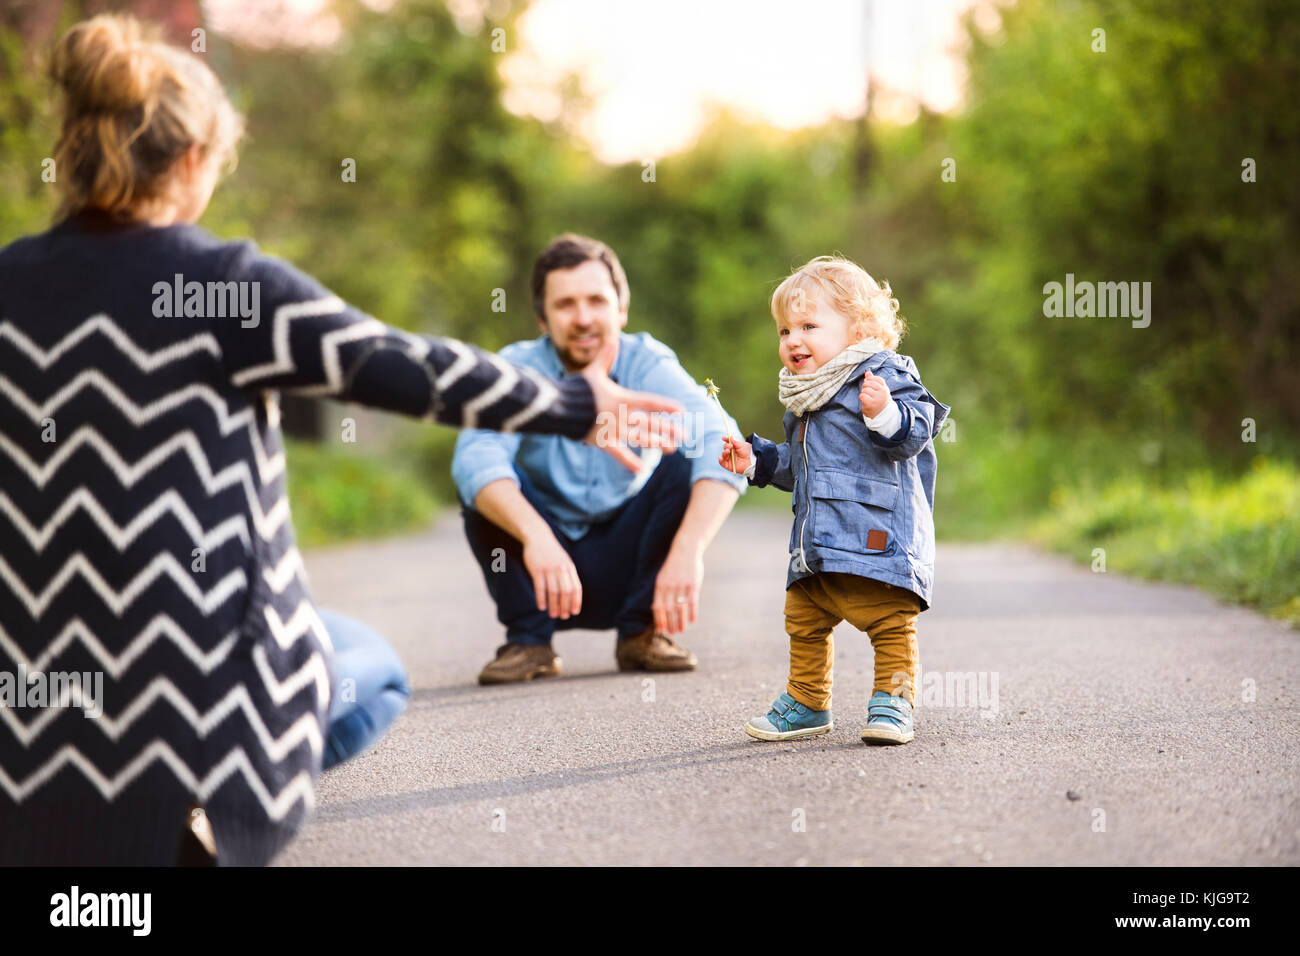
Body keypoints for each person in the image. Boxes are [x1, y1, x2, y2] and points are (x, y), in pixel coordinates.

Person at [0, 14, 680, 865]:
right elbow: (405, 365)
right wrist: (575, 404)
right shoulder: (222, 286)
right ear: (189, 163)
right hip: (194, 697)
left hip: (32, 709)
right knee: (369, 665)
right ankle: (209, 810)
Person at [452, 234, 748, 684]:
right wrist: (534, 535)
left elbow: (721, 439)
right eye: (566, 304)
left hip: (629, 566)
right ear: (542, 318)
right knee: (485, 484)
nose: (584, 318)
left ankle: (641, 634)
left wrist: (690, 548)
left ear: (620, 310)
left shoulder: (647, 361)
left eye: (596, 301)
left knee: (683, 459)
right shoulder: (517, 368)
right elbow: (475, 457)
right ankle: (529, 640)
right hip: (542, 572)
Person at [718, 256, 950, 745]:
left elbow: (916, 431)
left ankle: (893, 702)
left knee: (890, 622)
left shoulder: (882, 374)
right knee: (802, 617)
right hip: (818, 542)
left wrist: (884, 411)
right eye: (784, 330)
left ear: (858, 327)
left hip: (878, 535)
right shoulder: (805, 397)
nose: (792, 340)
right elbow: (802, 468)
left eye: (808, 325)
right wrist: (757, 462)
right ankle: (807, 701)